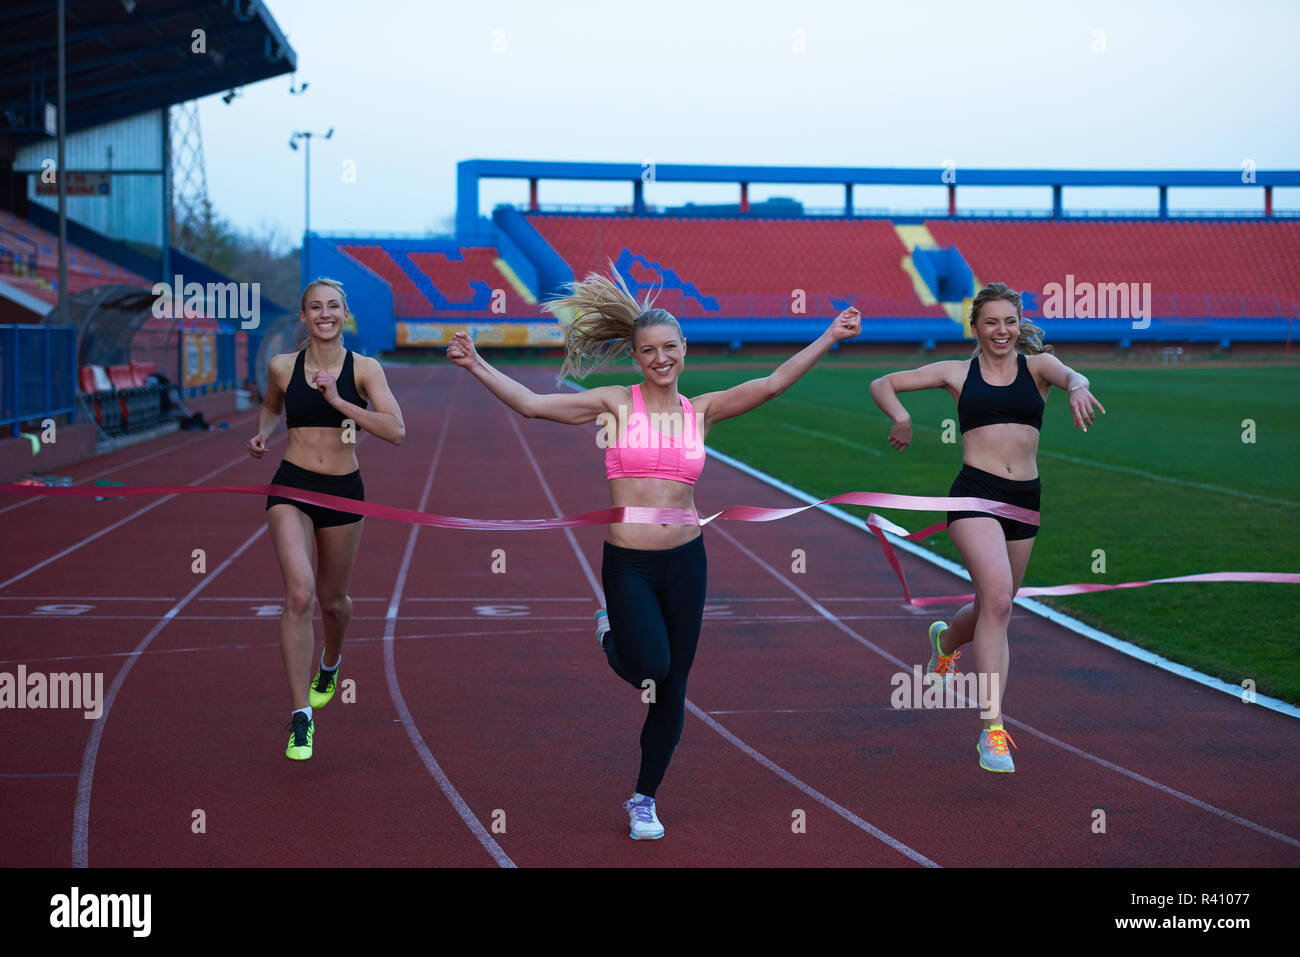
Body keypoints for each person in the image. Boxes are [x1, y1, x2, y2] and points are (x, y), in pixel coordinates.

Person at [446, 266, 860, 839]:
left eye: (669, 347)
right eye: (648, 351)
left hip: (687, 560)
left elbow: (772, 382)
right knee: (649, 665)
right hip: (631, 563)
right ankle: (608, 634)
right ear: (635, 358)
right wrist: (476, 365)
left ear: (683, 349)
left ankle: (644, 798)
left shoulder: (703, 410)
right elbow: (534, 406)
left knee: (673, 688)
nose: (660, 358)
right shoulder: (617, 405)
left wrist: (829, 336)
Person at [869, 282, 1104, 773]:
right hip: (974, 494)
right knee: (997, 600)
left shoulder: (1036, 368)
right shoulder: (957, 372)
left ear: (1020, 326)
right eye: (992, 322)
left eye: (1010, 322)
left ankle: (946, 643)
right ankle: (992, 731)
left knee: (994, 605)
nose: (1002, 331)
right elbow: (884, 382)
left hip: (1025, 501)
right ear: (975, 327)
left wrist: (1079, 386)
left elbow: (1069, 373)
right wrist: (901, 416)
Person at [247, 277, 405, 760]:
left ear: (345, 313)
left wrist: (339, 402)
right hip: (291, 485)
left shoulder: (364, 369)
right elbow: (273, 406)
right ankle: (302, 716)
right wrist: (263, 434)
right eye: (314, 307)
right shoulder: (281, 366)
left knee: (334, 602)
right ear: (303, 316)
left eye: (333, 306)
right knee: (300, 593)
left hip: (343, 491)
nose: (324, 314)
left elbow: (396, 430)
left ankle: (331, 663)